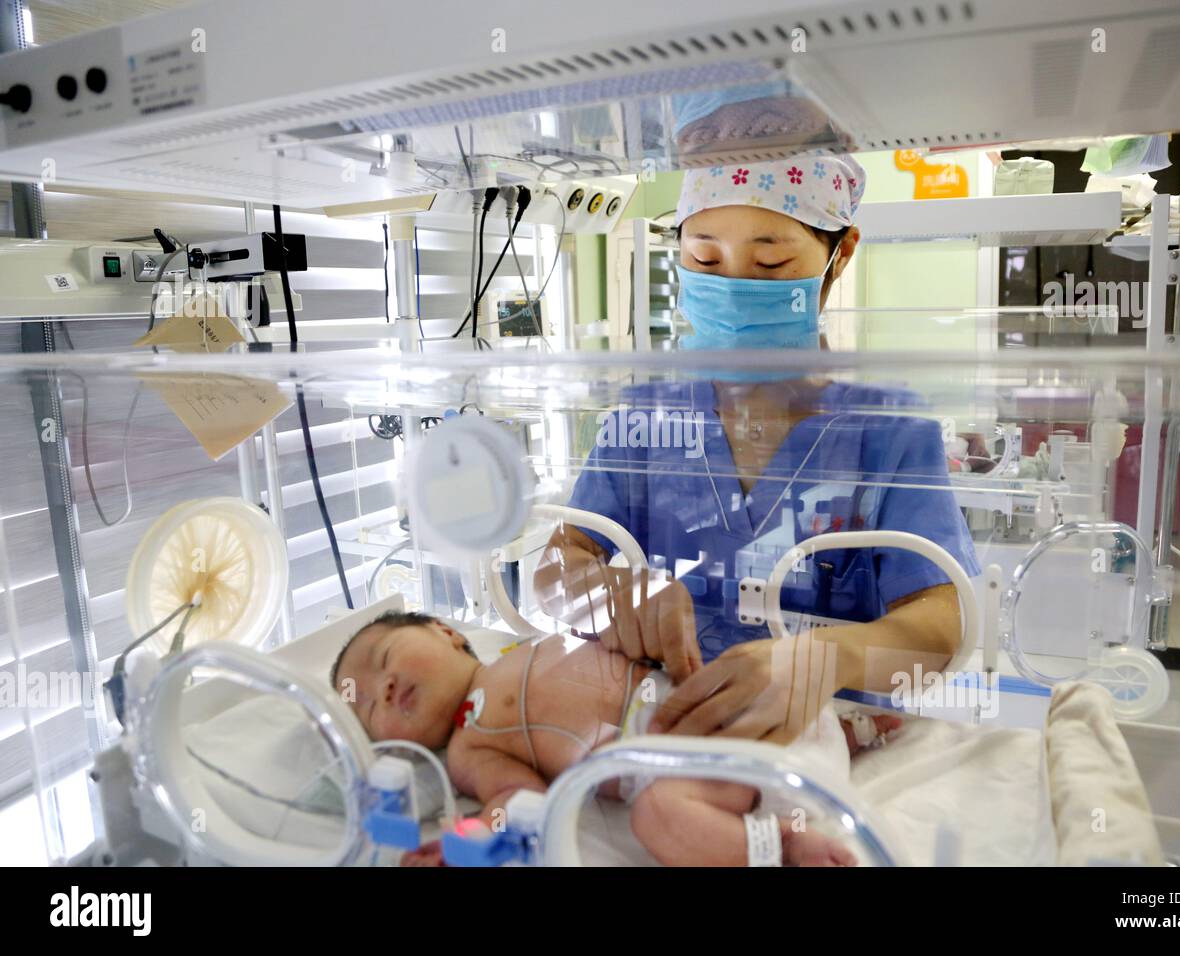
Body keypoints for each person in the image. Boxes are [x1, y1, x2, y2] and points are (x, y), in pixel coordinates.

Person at [533, 152, 980, 743]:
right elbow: (555, 569)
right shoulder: (646, 422)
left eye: (770, 262)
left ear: (840, 254)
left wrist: (828, 658)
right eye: (704, 257)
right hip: (665, 734)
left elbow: (943, 624)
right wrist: (605, 594)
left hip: (827, 744)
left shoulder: (888, 430)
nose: (733, 288)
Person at [330, 611, 900, 866]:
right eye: (364, 708)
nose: (380, 689)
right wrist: (467, 838)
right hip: (689, 774)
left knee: (737, 669)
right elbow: (515, 803)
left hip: (740, 709)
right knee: (656, 818)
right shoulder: (467, 747)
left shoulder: (528, 642)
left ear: (447, 632)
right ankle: (780, 842)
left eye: (382, 660)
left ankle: (843, 731)